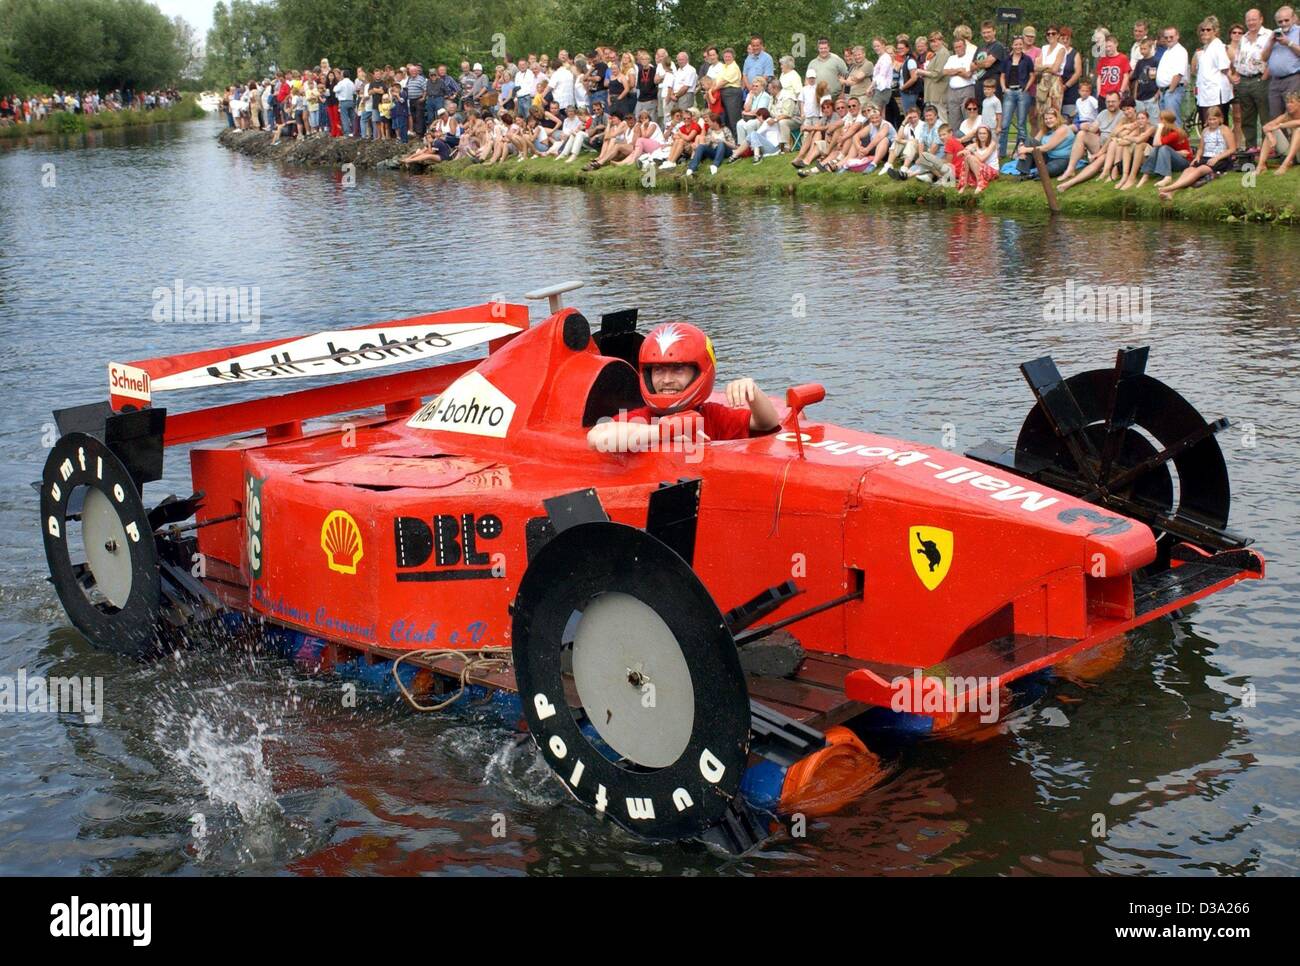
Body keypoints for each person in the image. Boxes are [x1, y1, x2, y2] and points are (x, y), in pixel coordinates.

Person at [587, 322, 779, 452]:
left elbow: (767, 423)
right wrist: (666, 431)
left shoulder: (712, 416)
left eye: (678, 369)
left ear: (699, 372)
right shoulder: (641, 418)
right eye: (658, 370)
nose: (667, 380)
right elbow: (596, 437)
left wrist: (753, 392)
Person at [1158, 105, 1237, 200]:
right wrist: (1197, 156)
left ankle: (1170, 188)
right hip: (1205, 157)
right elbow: (1200, 148)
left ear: (1220, 118)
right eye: (1210, 119)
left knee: (1199, 170)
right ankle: (1171, 192)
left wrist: (1217, 158)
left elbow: (1232, 149)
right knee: (1188, 170)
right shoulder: (1205, 131)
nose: (1212, 122)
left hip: (1220, 159)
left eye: (1214, 119)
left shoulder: (1225, 130)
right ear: (1206, 120)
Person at [1234, 10, 1271, 148]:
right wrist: (1236, 76)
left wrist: (1264, 77)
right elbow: (1237, 60)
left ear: (1261, 19)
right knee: (1247, 118)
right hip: (1244, 81)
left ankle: (1268, 149)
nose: (1251, 22)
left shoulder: (1269, 35)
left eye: (1254, 19)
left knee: (1265, 116)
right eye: (1248, 20)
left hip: (1261, 78)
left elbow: (1274, 57)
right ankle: (1251, 148)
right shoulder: (1243, 38)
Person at [1131, 109, 1193, 188]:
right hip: (1174, 158)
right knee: (1160, 148)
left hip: (1184, 162)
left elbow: (1156, 144)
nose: (1158, 121)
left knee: (1163, 148)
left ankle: (1167, 176)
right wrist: (1177, 153)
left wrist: (1159, 128)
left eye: (1160, 119)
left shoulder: (1174, 133)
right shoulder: (1166, 131)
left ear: (1165, 121)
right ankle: (1145, 176)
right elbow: (1156, 147)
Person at [1192, 17, 1234, 126]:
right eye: (1203, 30)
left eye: (1208, 29)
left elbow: (1225, 68)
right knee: (1206, 125)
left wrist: (1233, 81)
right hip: (1204, 93)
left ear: (1215, 31)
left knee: (1218, 125)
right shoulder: (1205, 48)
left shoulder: (1218, 46)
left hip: (1214, 95)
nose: (1205, 32)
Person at [1263, 6, 1300, 122]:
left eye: (1286, 20)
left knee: (1293, 115)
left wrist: (1288, 43)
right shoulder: (1275, 34)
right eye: (1280, 21)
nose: (1283, 23)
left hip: (1293, 79)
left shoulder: (1298, 32)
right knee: (1275, 117)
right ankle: (1281, 141)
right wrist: (1270, 42)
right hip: (1275, 81)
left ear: (1293, 18)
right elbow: (1263, 57)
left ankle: (1295, 140)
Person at [1155, 26, 1190, 126]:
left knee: (1173, 122)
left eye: (1171, 37)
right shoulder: (1167, 51)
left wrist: (1170, 90)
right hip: (1164, 91)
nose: (1169, 39)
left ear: (1177, 36)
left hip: (1173, 91)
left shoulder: (1180, 51)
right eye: (1166, 37)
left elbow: (1178, 74)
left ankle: (1179, 141)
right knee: (1165, 123)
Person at [1259, 89, 1300, 171]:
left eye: (1291, 102)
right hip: (1293, 152)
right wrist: (1270, 137)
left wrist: (1280, 125)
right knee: (1271, 131)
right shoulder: (1286, 116)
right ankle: (1261, 165)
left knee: (1299, 130)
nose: (1288, 105)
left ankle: (1285, 164)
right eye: (1287, 102)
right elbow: (1266, 127)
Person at [956, 124, 999, 192]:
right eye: (980, 133)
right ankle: (964, 184)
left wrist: (972, 151)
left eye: (984, 133)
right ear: (977, 135)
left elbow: (982, 159)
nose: (982, 135)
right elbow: (958, 154)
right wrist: (964, 151)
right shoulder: (975, 144)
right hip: (979, 169)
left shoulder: (992, 144)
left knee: (970, 157)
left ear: (988, 135)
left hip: (992, 171)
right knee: (967, 157)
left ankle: (980, 183)